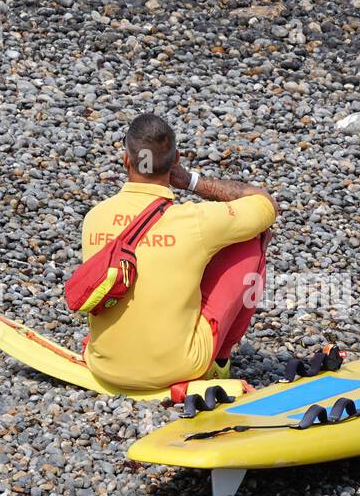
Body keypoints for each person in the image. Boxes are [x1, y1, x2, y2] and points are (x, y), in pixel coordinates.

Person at [79, 113, 277, 391]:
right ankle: (219, 364)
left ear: (126, 160)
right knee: (249, 240)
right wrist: (193, 182)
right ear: (175, 161)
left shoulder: (94, 218)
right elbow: (265, 204)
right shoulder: (196, 221)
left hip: (104, 365)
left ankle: (120, 350)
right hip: (178, 369)